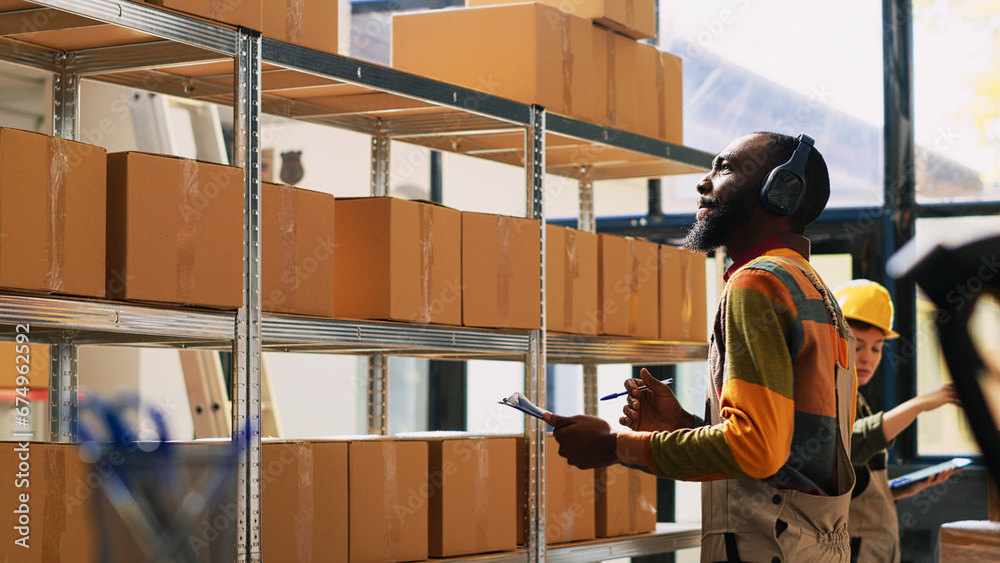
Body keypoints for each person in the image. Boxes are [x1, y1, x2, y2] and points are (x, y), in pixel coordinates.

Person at [544, 131, 858, 562]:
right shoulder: (808, 285)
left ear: (780, 191)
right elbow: (786, 449)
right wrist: (683, 425)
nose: (703, 182)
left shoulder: (759, 283)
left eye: (725, 167)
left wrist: (613, 445)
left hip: (769, 547)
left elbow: (757, 450)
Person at [834, 279, 961, 563]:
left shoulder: (858, 400)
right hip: (854, 549)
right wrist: (919, 405)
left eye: (877, 348)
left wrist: (902, 489)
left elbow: (859, 483)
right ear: (836, 342)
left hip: (876, 545)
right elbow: (847, 445)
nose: (868, 358)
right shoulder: (829, 397)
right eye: (858, 346)